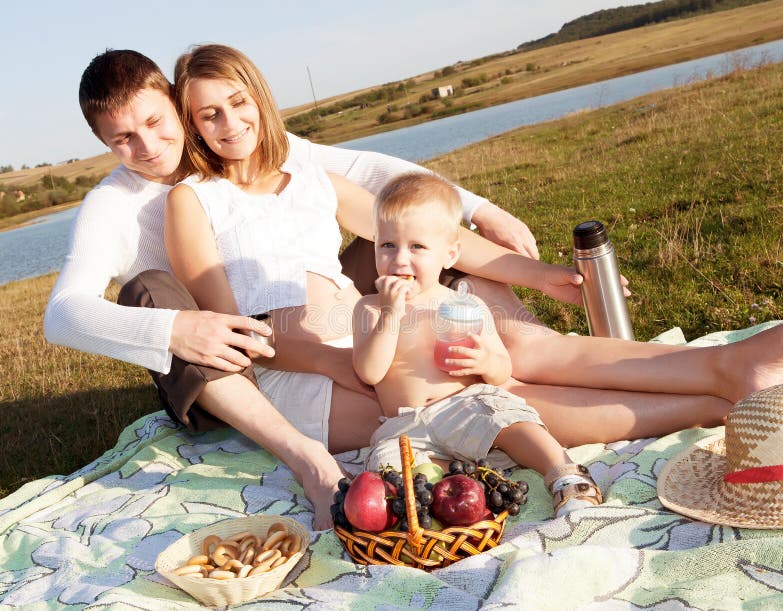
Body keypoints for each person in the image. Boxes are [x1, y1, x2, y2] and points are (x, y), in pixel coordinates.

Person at [42, 49, 540, 529]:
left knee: (402, 242)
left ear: (179, 105)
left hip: (306, 323)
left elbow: (369, 170)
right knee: (148, 291)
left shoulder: (237, 141)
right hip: (220, 366)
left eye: (155, 123)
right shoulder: (113, 205)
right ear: (104, 143)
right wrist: (178, 327)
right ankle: (307, 459)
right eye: (122, 139)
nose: (147, 147)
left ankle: (522, 345)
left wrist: (478, 210)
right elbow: (63, 314)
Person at [353, 173, 603, 517]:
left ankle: (565, 476)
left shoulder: (464, 305)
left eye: (417, 247)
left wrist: (486, 361)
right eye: (388, 245)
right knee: (386, 469)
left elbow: (502, 369)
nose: (400, 259)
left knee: (508, 416)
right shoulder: (369, 308)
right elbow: (368, 371)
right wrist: (390, 315)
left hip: (464, 407)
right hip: (405, 426)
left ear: (450, 253)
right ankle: (458, 490)